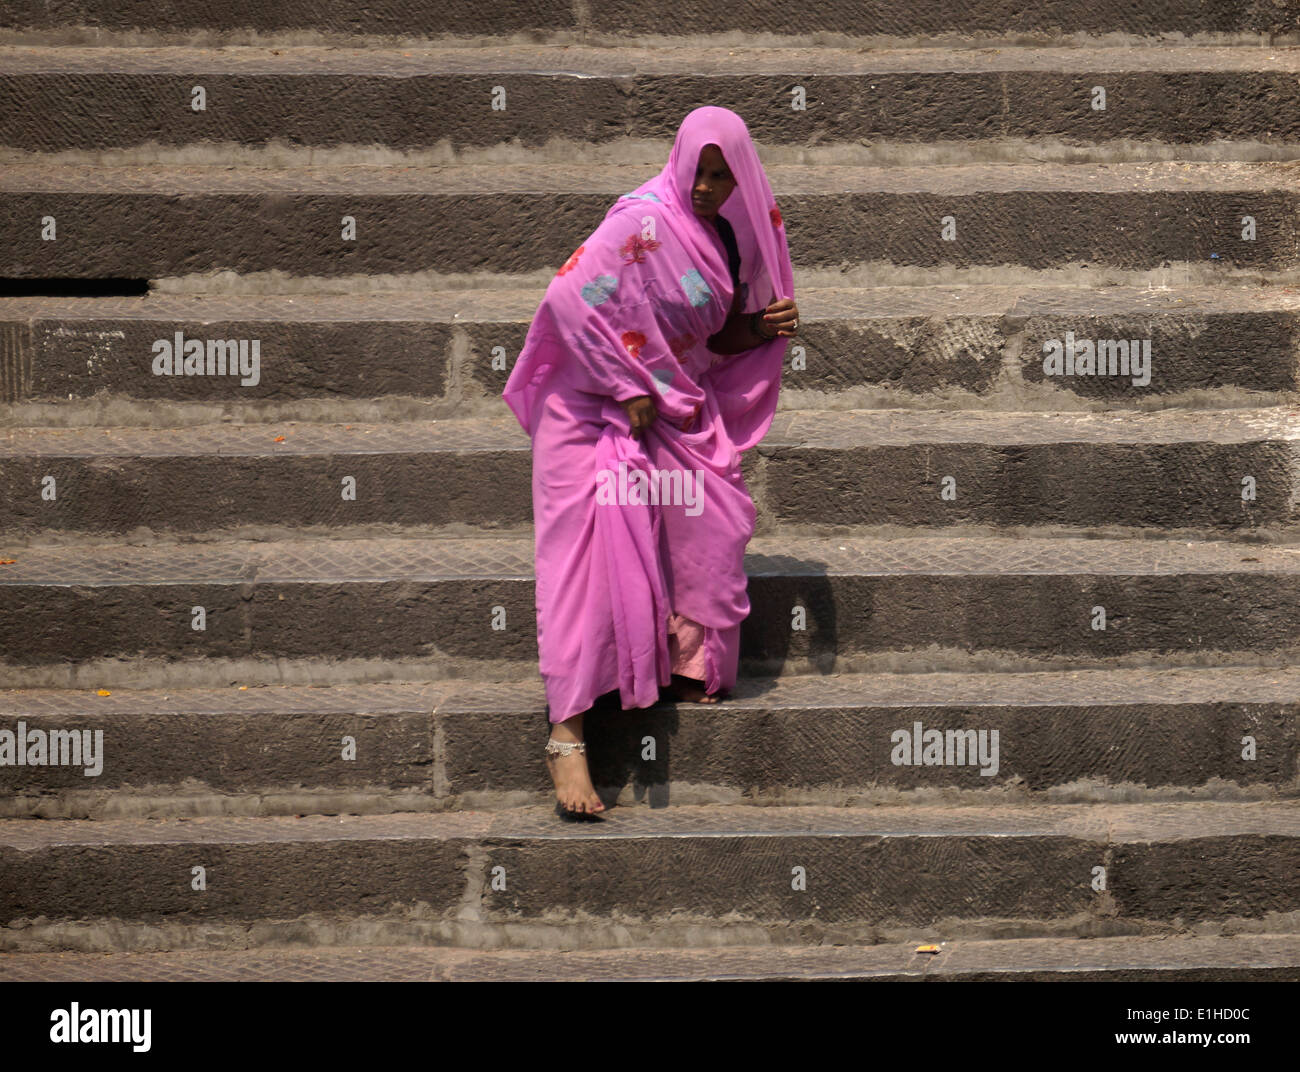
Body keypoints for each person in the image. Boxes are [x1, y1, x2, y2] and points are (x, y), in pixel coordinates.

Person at [503, 106, 799, 817]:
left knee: (711, 513)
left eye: (721, 175)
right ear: (678, 162)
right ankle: (567, 741)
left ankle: (673, 662)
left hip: (659, 402)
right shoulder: (642, 220)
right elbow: (566, 300)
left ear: (741, 180)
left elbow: (704, 331)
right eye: (698, 170)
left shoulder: (725, 237)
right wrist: (629, 383)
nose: (705, 186)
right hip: (588, 405)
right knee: (585, 565)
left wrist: (757, 327)